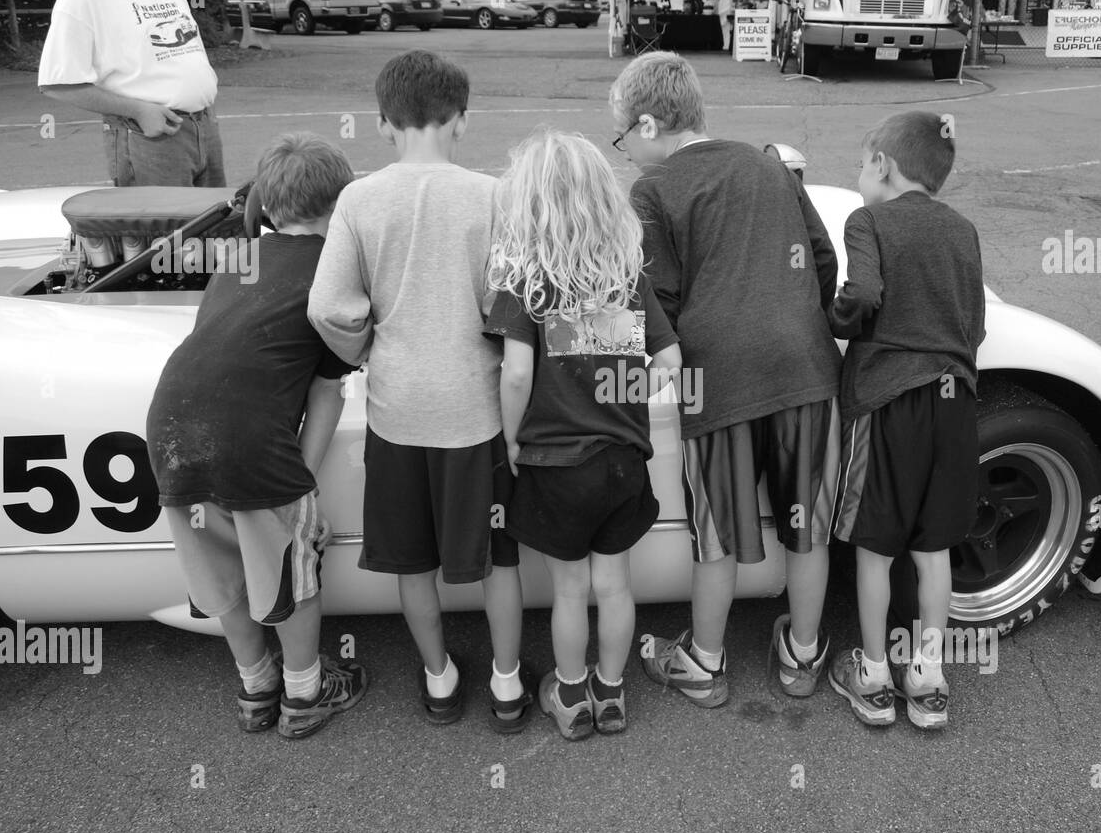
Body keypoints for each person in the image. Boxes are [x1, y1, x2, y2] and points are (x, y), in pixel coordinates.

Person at [308, 50, 532, 732]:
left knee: (412, 560)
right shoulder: (494, 195)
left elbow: (327, 306)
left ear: (382, 122)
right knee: (497, 557)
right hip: (477, 411)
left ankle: (439, 677)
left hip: (398, 410)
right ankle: (507, 681)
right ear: (461, 120)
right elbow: (516, 306)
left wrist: (368, 346)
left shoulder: (358, 198)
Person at [611, 52, 842, 708]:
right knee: (809, 525)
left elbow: (658, 299)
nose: (625, 153)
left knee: (713, 535)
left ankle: (705, 661)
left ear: (650, 124)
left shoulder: (652, 192)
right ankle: (801, 654)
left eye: (625, 138)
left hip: (717, 383)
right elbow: (821, 258)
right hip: (807, 373)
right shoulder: (768, 164)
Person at [145, 133, 364, 739]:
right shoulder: (331, 272)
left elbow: (218, 346)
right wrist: (304, 486)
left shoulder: (236, 262)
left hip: (168, 426)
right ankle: (305, 692)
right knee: (291, 573)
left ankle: (256, 685)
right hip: (249, 442)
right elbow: (325, 390)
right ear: (342, 200)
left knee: (220, 573)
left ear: (267, 203)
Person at [484, 130, 682, 740]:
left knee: (569, 591)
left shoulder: (527, 285)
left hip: (554, 464)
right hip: (622, 463)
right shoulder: (625, 279)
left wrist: (513, 440)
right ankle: (612, 693)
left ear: (528, 205)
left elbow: (517, 373)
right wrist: (620, 400)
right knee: (614, 585)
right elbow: (671, 362)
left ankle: (570, 699)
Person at [824, 112, 985, 730]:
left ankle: (871, 673)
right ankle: (928, 675)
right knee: (933, 546)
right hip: (954, 399)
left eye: (863, 165)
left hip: (888, 400)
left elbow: (862, 293)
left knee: (873, 546)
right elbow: (974, 323)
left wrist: (839, 322)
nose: (861, 176)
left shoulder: (868, 221)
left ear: (883, 166)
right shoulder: (963, 229)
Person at [38, 0, 225, 187]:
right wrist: (139, 111)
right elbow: (58, 83)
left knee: (215, 230)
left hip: (206, 130)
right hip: (150, 139)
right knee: (164, 232)